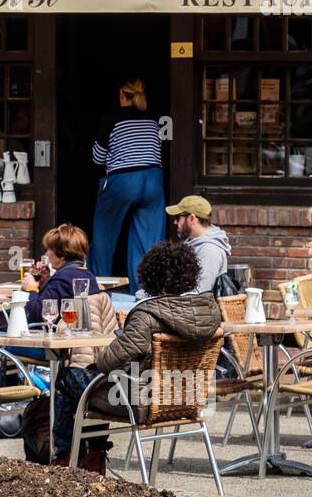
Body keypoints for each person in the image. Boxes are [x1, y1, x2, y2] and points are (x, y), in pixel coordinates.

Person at [51, 240, 222, 471]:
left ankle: (67, 458)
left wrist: (99, 360)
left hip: (142, 401)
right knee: (94, 380)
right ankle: (93, 458)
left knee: (68, 377)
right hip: (188, 398)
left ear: (153, 277)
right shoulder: (207, 312)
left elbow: (114, 359)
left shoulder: (147, 314)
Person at [90, 77, 165, 294]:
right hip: (153, 179)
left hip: (123, 180)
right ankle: (145, 293)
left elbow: (98, 158)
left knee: (104, 237)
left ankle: (98, 291)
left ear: (122, 94)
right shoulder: (151, 118)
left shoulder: (111, 118)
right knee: (147, 242)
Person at [21, 223, 100, 323]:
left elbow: (38, 315)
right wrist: (44, 281)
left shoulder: (63, 278)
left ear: (61, 254)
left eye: (49, 249)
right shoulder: (87, 273)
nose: (46, 254)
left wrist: (31, 288)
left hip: (57, 335)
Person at [167, 195, 232, 293]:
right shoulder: (192, 241)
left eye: (178, 217)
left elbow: (199, 293)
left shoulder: (210, 250)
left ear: (192, 219)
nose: (175, 222)